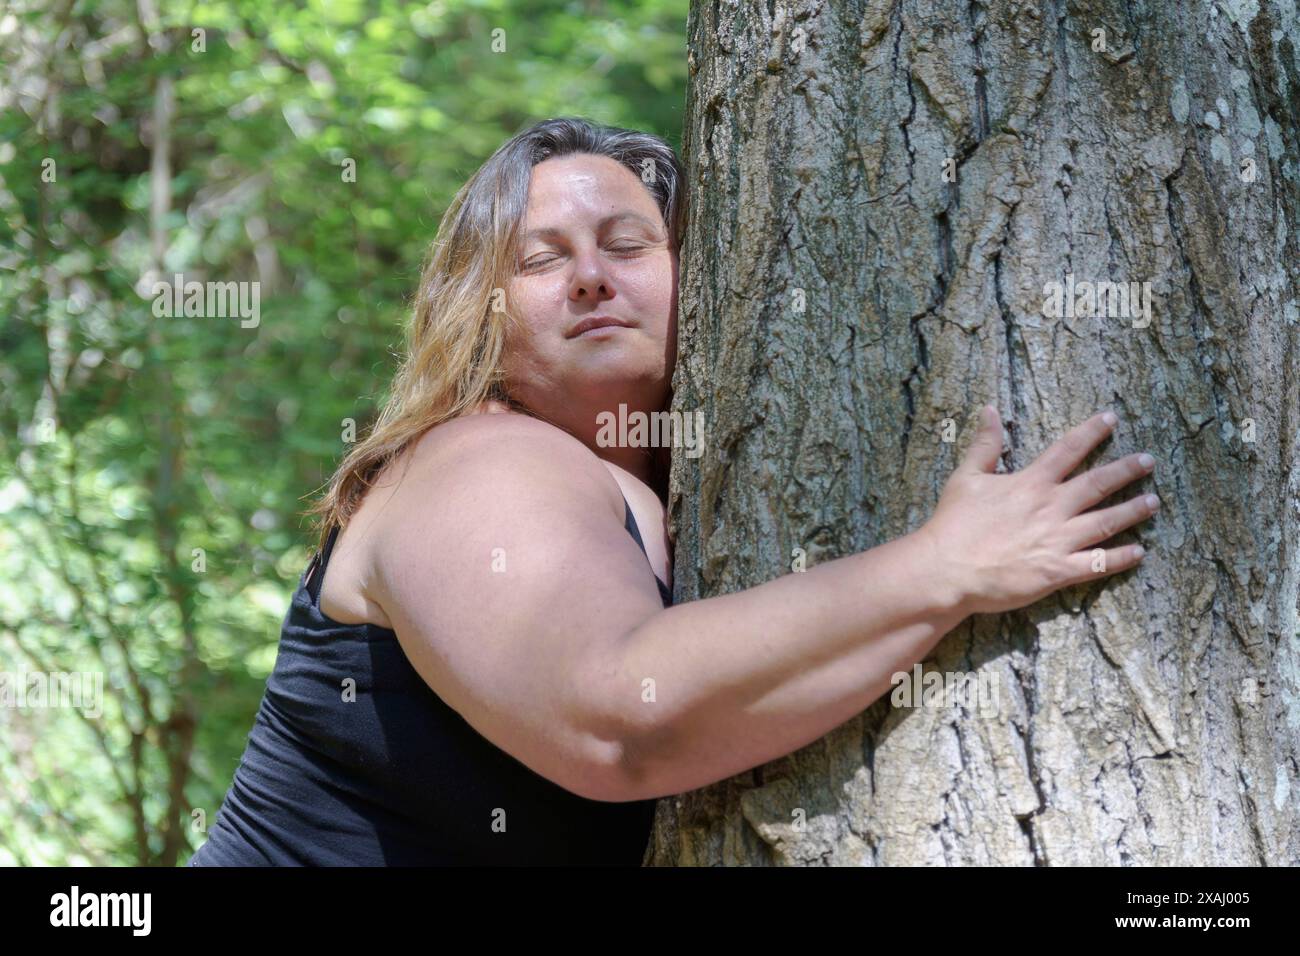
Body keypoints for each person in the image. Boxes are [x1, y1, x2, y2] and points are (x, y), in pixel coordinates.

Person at [189, 117, 1158, 866]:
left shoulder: (644, 492)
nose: (587, 278)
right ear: (474, 308)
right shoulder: (479, 458)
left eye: (628, 243)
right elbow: (621, 718)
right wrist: (943, 566)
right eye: (537, 258)